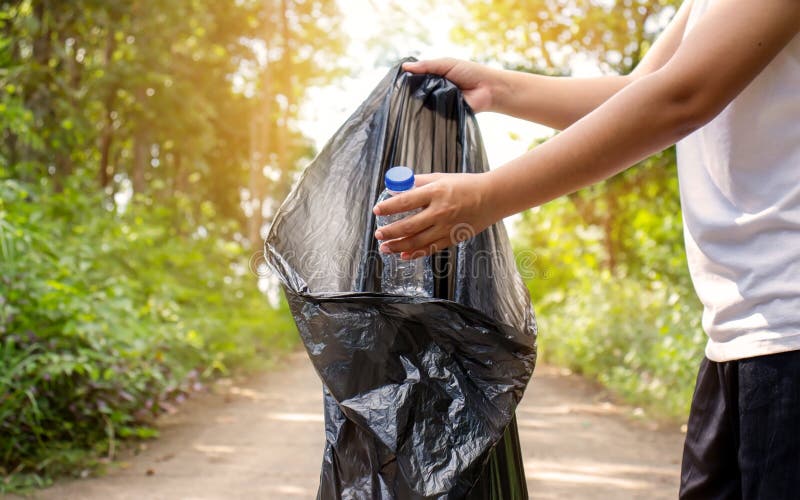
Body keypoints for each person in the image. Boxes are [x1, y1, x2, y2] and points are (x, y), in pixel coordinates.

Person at [372, 0, 800, 498]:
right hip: (742, 332)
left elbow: (682, 96)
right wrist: (498, 88)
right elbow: (640, 90)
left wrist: (487, 196)